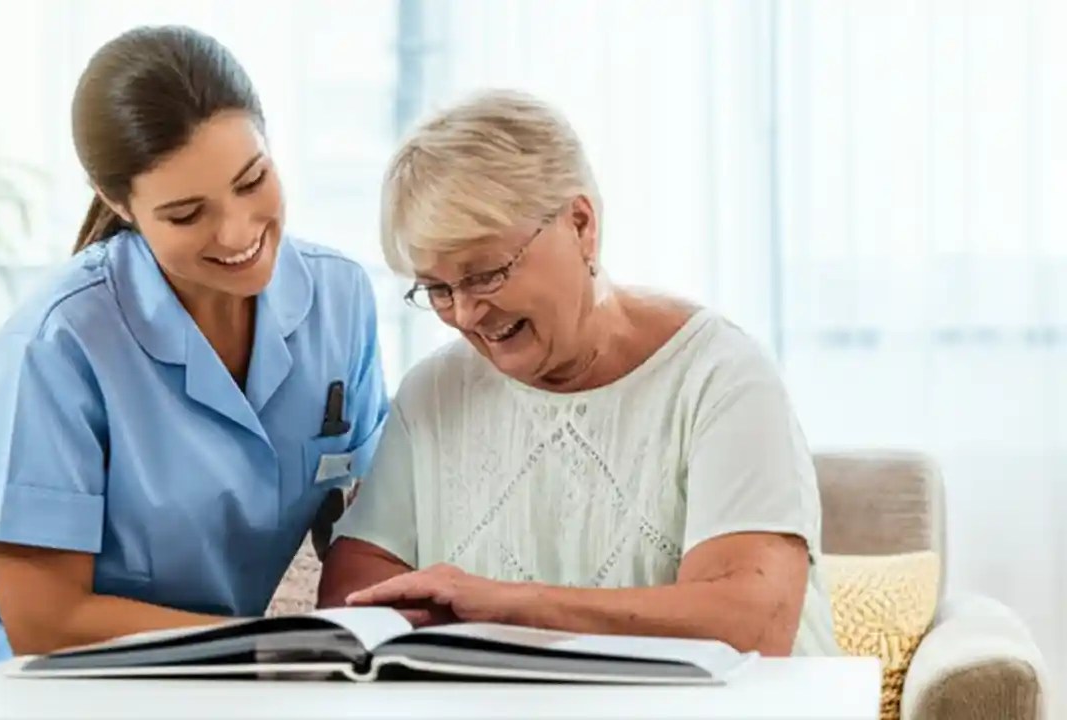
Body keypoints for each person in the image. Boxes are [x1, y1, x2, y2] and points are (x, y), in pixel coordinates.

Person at [0, 25, 387, 695]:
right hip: (13, 675)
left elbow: (370, 529)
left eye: (252, 179)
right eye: (185, 214)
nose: (237, 232)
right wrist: (258, 653)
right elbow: (45, 620)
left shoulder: (340, 300)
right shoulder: (58, 342)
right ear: (120, 203)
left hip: (206, 677)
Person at [317, 89, 841, 657]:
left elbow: (750, 624)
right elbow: (353, 597)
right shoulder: (434, 394)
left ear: (580, 224)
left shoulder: (720, 377)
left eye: (486, 273)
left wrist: (509, 606)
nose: (465, 314)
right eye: (438, 288)